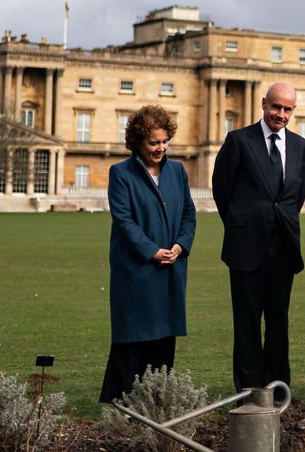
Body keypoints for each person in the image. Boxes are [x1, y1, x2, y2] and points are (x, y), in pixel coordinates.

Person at [212, 82, 305, 394]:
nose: (280, 114)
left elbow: (294, 197)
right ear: (263, 103)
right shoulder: (239, 141)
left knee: (278, 323)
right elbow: (222, 190)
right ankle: (248, 391)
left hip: (283, 247)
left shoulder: (302, 147)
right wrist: (243, 222)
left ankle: (278, 388)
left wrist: (277, 219)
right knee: (247, 324)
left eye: (287, 109)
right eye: (276, 107)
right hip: (245, 246)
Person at [100, 105, 197, 403]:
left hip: (171, 266)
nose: (160, 148)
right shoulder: (121, 173)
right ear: (138, 142)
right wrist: (152, 251)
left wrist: (180, 246)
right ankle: (121, 399)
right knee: (133, 336)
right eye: (153, 143)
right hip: (137, 269)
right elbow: (124, 221)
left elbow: (189, 215)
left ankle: (158, 397)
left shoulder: (178, 171)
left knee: (164, 336)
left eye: (165, 141)